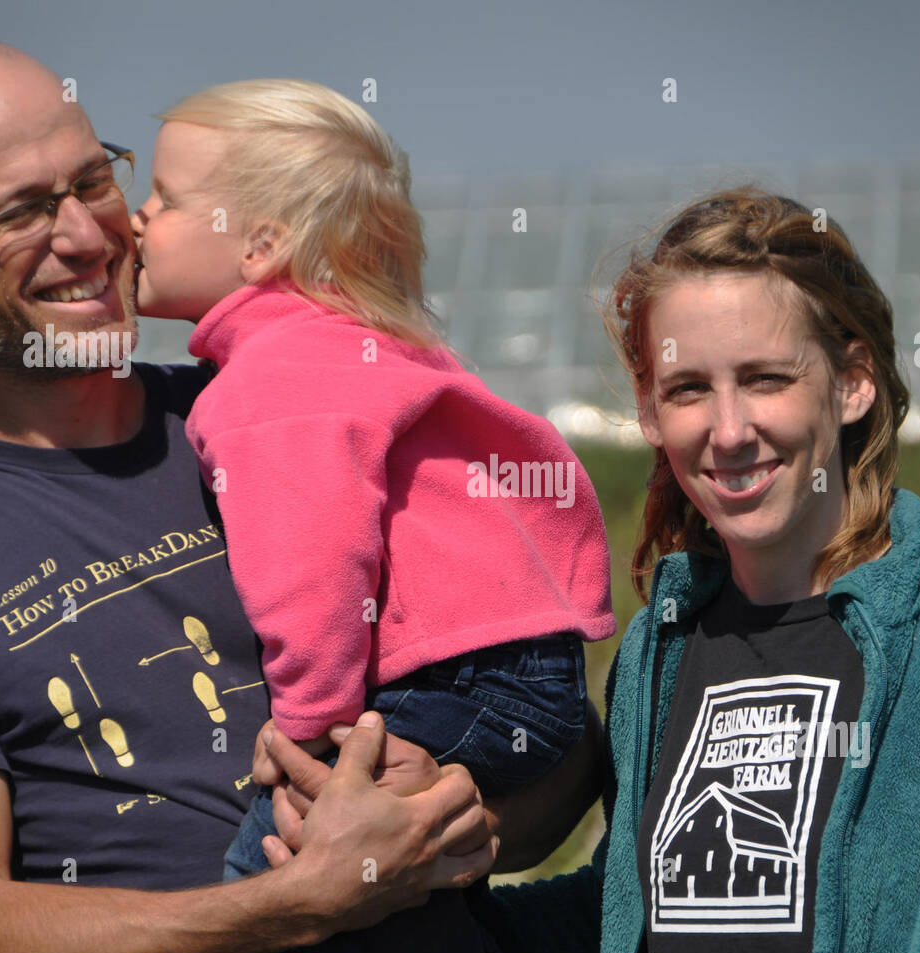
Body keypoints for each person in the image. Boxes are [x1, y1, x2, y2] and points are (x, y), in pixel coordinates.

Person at [0, 40, 596, 953]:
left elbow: (563, 744)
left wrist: (455, 809)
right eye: (18, 213)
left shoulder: (284, 411)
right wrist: (295, 901)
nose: (90, 236)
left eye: (95, 180)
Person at [475, 188, 920, 953]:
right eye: (689, 388)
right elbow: (637, 915)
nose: (730, 430)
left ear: (852, 382)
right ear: (649, 410)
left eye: (767, 378)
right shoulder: (658, 651)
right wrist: (405, 914)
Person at [127, 78, 615, 884]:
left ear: (260, 245)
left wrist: (309, 728)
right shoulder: (371, 342)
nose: (138, 214)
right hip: (527, 677)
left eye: (166, 197)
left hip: (446, 686)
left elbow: (313, 563)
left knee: (268, 884)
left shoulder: (268, 382)